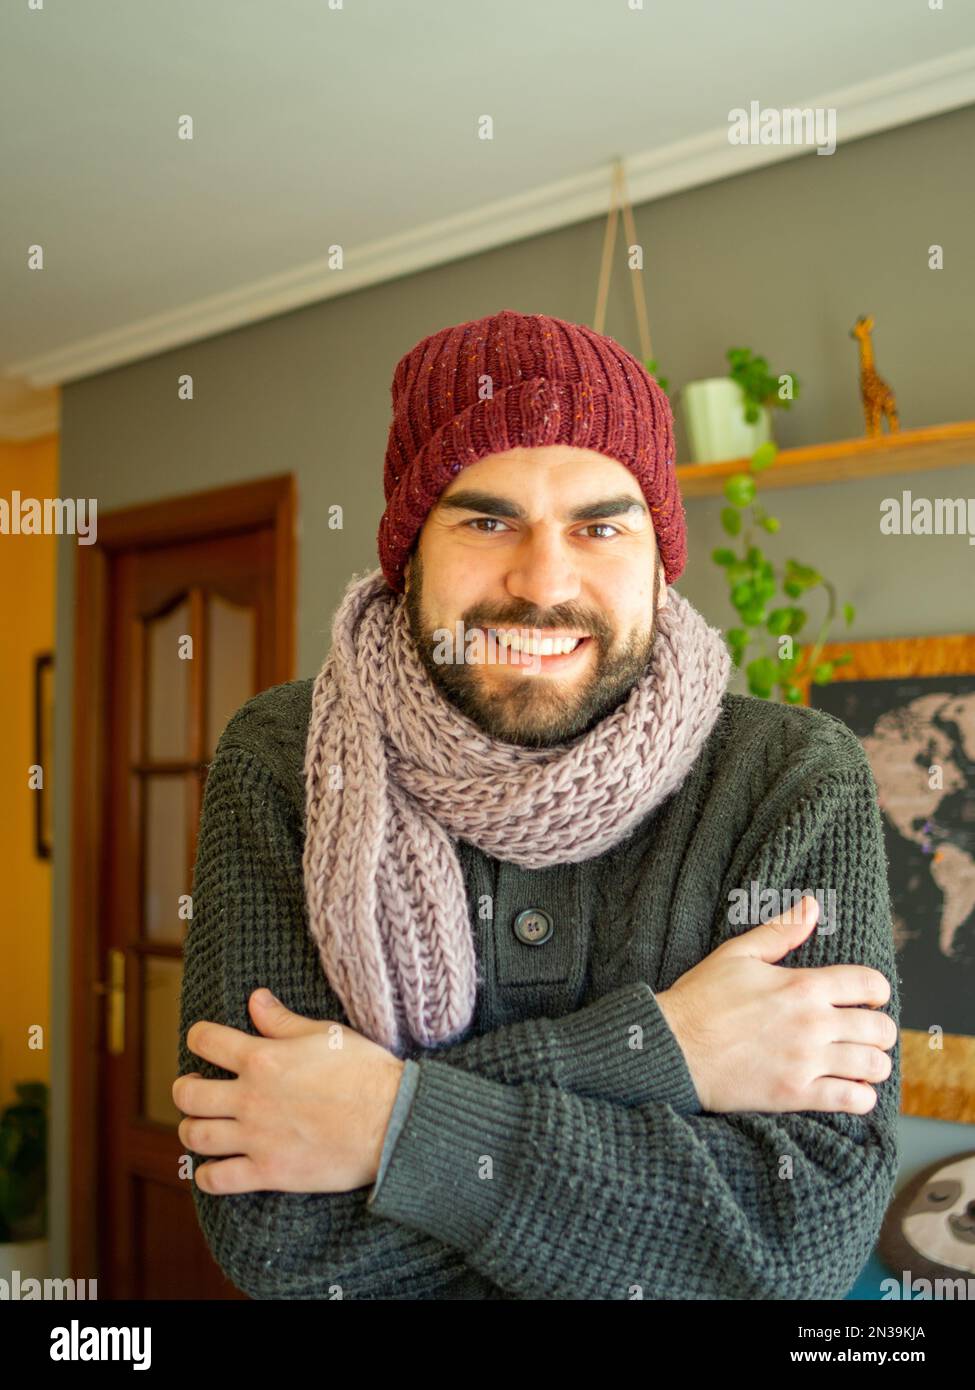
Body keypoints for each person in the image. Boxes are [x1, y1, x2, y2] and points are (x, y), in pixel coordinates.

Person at [174, 307, 900, 1300]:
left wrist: (382, 1122)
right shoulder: (285, 758)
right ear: (409, 551)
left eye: (600, 524)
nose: (543, 580)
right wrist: (665, 1051)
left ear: (658, 556)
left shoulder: (792, 776)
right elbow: (283, 1243)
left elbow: (798, 1241)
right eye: (486, 518)